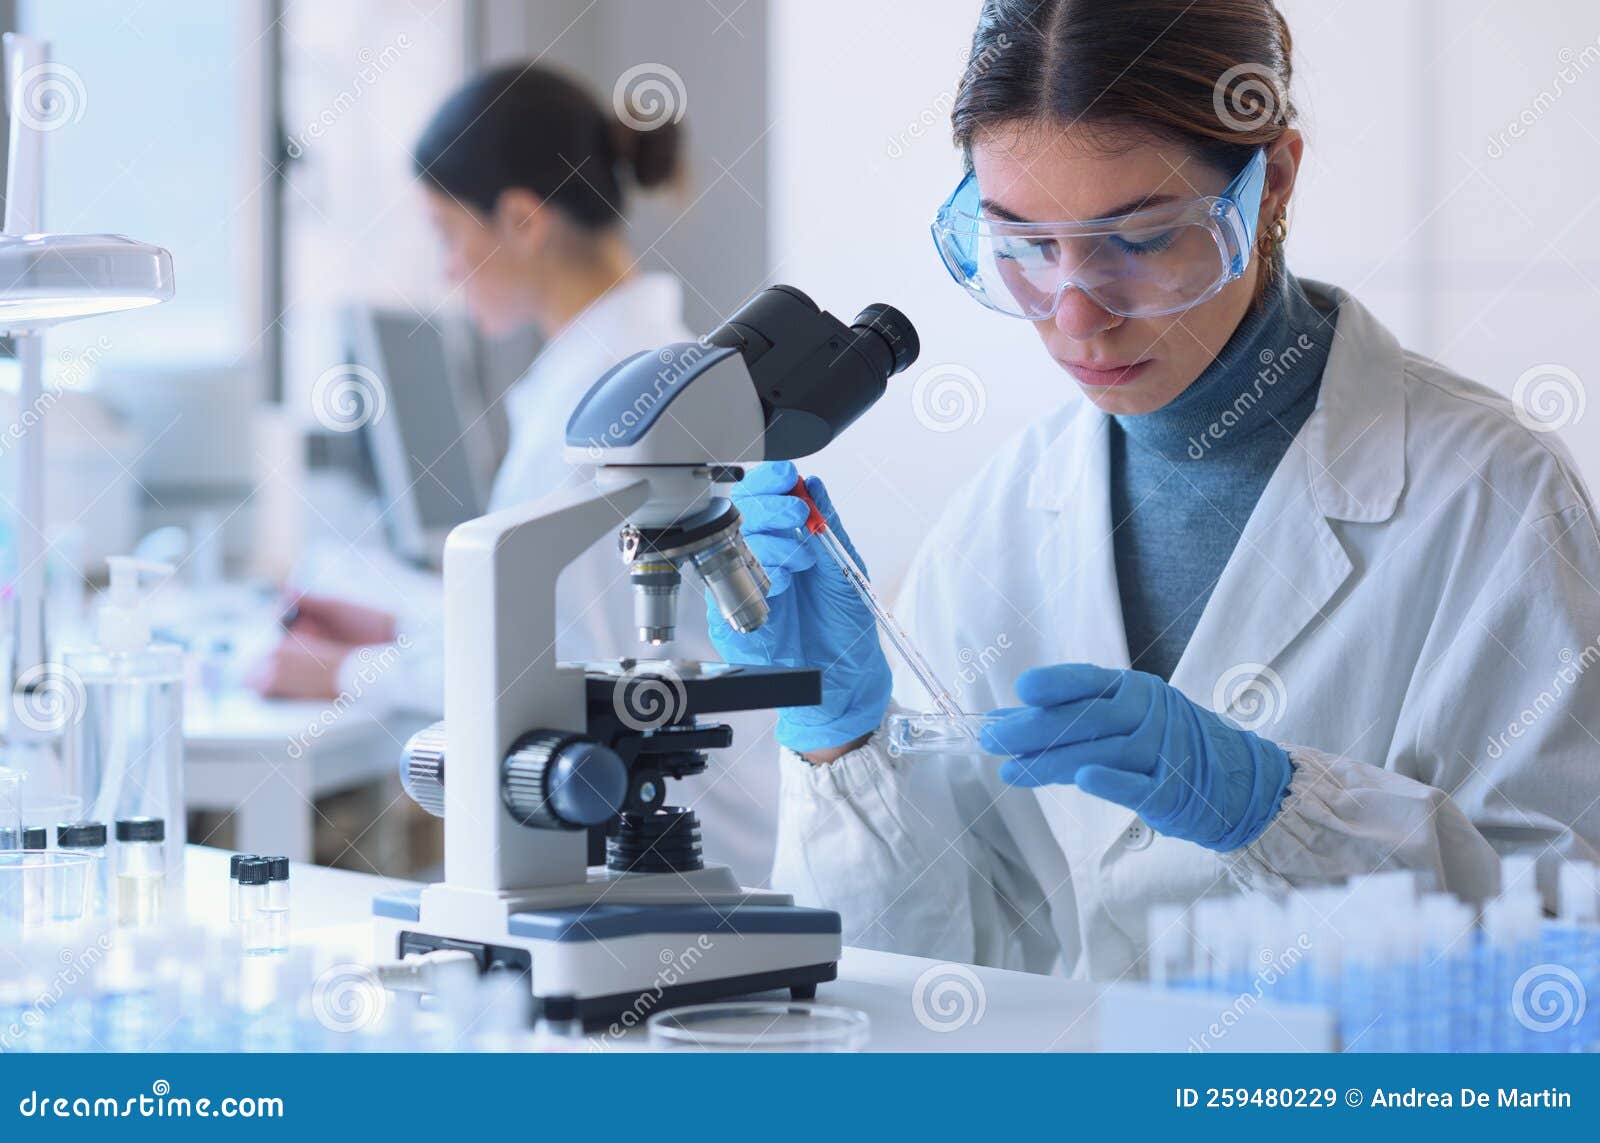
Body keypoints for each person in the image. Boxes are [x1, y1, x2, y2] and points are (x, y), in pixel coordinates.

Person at [710, 0, 1600, 978]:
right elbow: (927, 974)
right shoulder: (1003, 515)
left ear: (1272, 186)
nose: (1076, 315)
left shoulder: (1492, 497)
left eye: (1137, 241)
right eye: (1025, 245)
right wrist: (843, 750)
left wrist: (1278, 810)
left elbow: (1563, 958)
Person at [251, 64, 781, 885]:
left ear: (523, 219)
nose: (446, 268)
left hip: (686, 853)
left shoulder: (602, 408)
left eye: (446, 231)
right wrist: (394, 629)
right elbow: (554, 616)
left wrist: (342, 673)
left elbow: (537, 666)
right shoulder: (615, 370)